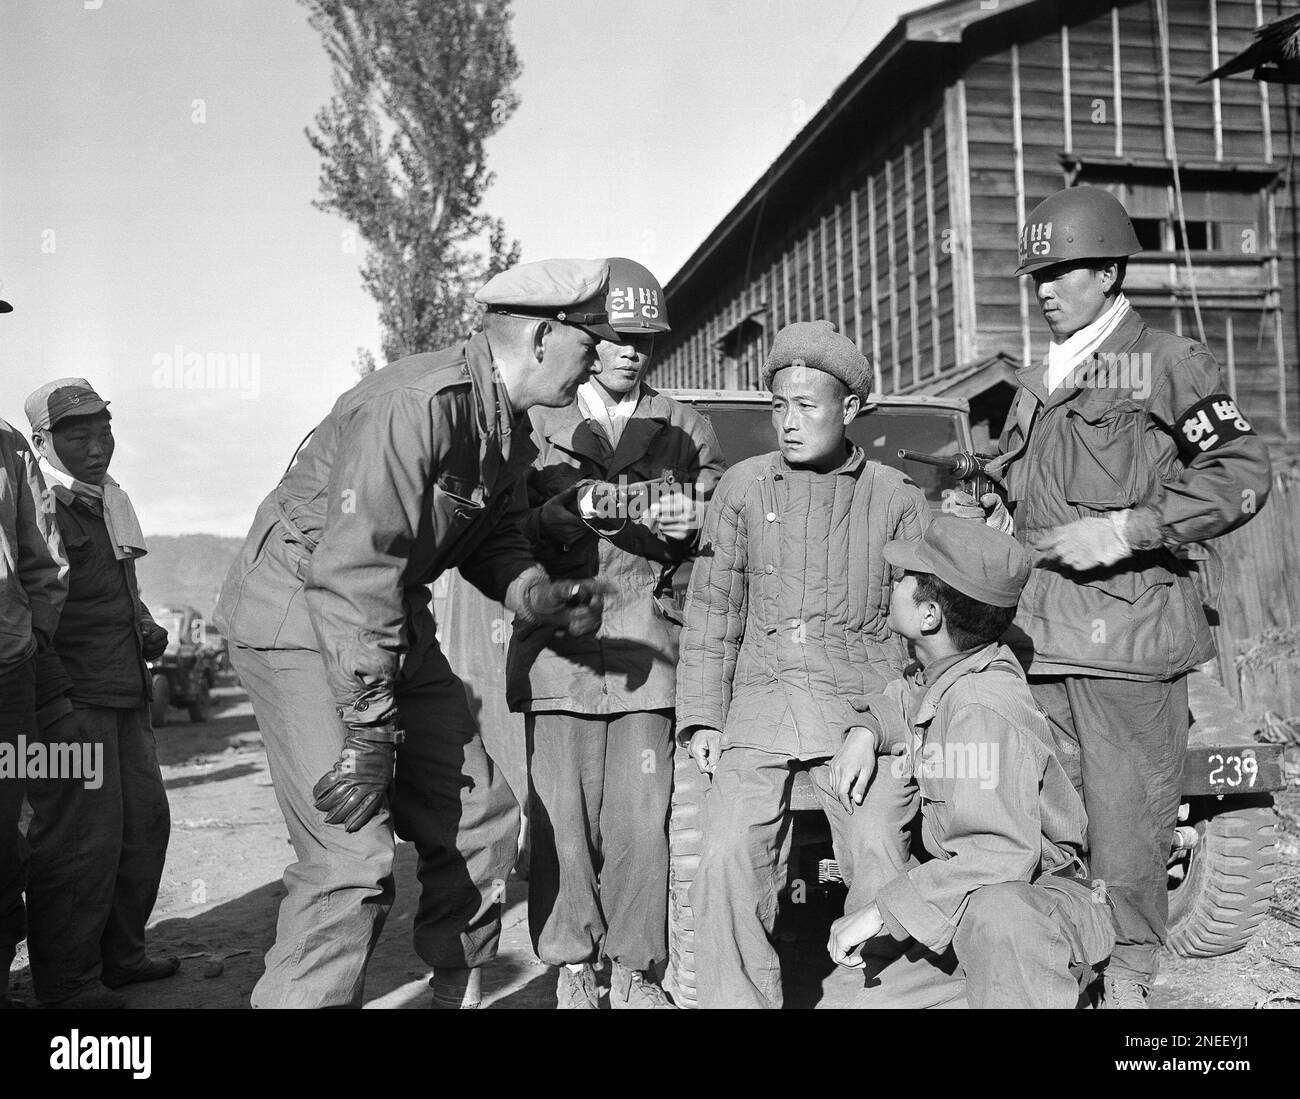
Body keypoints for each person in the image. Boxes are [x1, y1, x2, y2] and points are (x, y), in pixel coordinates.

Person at [214, 257, 615, 1009]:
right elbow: (354, 564)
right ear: (539, 336)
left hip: (384, 609)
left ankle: (455, 991)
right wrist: (369, 729)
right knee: (351, 856)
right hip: (304, 608)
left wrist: (537, 592)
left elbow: (491, 539)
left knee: (481, 823)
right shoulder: (416, 404)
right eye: (588, 344)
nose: (595, 361)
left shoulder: (503, 429)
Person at [961, 185, 1273, 1008]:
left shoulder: (1168, 362)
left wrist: (1132, 528)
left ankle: (1130, 990)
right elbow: (1029, 505)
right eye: (1036, 275)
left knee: (1129, 844)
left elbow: (1244, 475)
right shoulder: (1035, 384)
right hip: (1037, 646)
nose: (1043, 289)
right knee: (1049, 837)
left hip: (1128, 654)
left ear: (1107, 270)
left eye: (1060, 271)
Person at [675, 319, 928, 1009]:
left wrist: (878, 727)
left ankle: (876, 994)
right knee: (725, 853)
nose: (788, 422)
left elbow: (924, 643)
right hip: (761, 702)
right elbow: (712, 611)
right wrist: (702, 717)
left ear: (850, 409)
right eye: (778, 406)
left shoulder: (897, 498)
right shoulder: (742, 488)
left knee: (878, 843)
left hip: (862, 708)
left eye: (806, 406)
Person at [507, 257, 726, 1009]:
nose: (633, 350)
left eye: (646, 339)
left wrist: (693, 519)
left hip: (647, 649)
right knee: (563, 819)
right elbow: (504, 533)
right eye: (617, 335)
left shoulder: (684, 424)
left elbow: (718, 516)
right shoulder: (535, 420)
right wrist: (566, 513)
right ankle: (573, 965)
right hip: (559, 650)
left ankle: (634, 968)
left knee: (642, 819)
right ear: (588, 338)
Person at [826, 516, 1114, 1007]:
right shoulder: (952, 672)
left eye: (905, 578)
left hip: (1031, 911)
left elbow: (998, 854)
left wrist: (880, 911)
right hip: (964, 906)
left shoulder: (981, 705)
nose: (894, 583)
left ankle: (1048, 986)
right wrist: (865, 730)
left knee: (999, 915)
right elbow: (910, 701)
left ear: (930, 616)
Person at [23, 378, 175, 1008]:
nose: (96, 444)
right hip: (70, 702)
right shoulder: (41, 508)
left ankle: (122, 955)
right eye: (76, 433)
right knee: (82, 842)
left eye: (103, 429)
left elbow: (118, 587)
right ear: (43, 441)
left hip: (123, 693)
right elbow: (30, 603)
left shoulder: (106, 502)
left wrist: (142, 622)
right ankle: (68, 981)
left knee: (144, 827)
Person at [0, 403, 67, 1008]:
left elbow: (44, 558)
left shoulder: (8, 446)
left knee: (2, 838)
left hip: (5, 671)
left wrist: (32, 638)